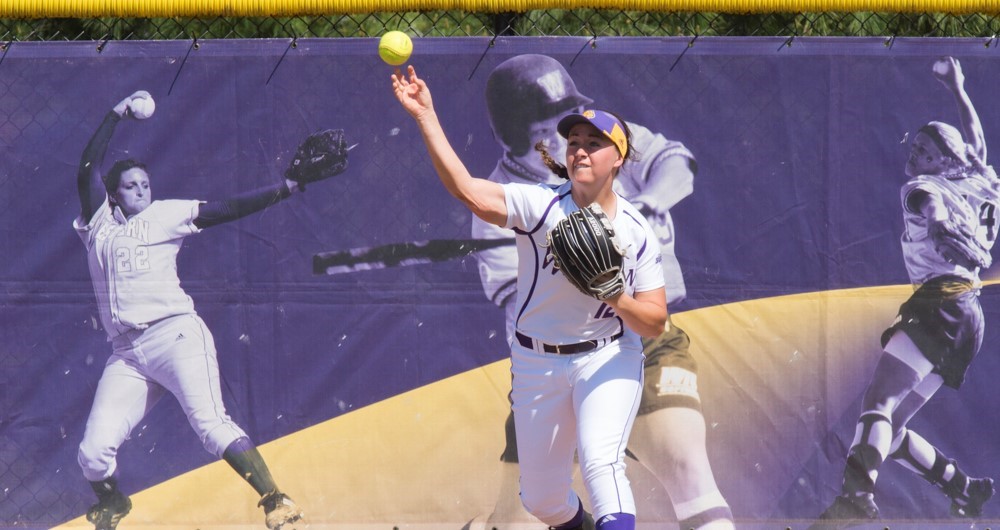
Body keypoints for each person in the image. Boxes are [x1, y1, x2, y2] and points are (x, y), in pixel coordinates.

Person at [392, 65, 668, 530]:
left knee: (602, 465)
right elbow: (469, 193)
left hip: (607, 356)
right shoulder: (542, 203)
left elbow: (654, 321)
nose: (579, 148)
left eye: (593, 142)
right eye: (574, 141)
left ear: (618, 158)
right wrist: (426, 117)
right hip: (536, 362)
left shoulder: (637, 230)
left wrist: (614, 295)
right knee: (542, 501)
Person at [472, 54, 734, 530]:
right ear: (511, 137)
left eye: (566, 124)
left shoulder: (602, 143)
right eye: (544, 130)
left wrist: (651, 201)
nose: (566, 143)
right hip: (558, 361)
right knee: (521, 519)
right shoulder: (502, 200)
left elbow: (678, 163)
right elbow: (529, 307)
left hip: (645, 342)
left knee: (689, 473)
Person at [74, 90, 321, 530]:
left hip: (175, 336)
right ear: (112, 196)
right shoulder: (98, 229)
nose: (141, 191)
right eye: (131, 186)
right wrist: (115, 113)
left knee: (210, 425)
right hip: (128, 355)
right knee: (92, 454)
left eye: (145, 184)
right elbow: (88, 168)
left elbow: (225, 209)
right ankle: (113, 503)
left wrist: (283, 189)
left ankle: (275, 498)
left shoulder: (164, 215)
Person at [811, 56, 998, 528]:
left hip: (940, 299)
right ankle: (963, 488)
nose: (915, 154)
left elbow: (931, 209)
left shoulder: (923, 186)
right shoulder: (983, 182)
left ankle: (855, 495)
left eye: (926, 148)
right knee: (889, 428)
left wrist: (938, 227)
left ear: (945, 160)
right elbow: (975, 140)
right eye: (914, 147)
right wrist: (958, 88)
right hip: (970, 316)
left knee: (878, 404)